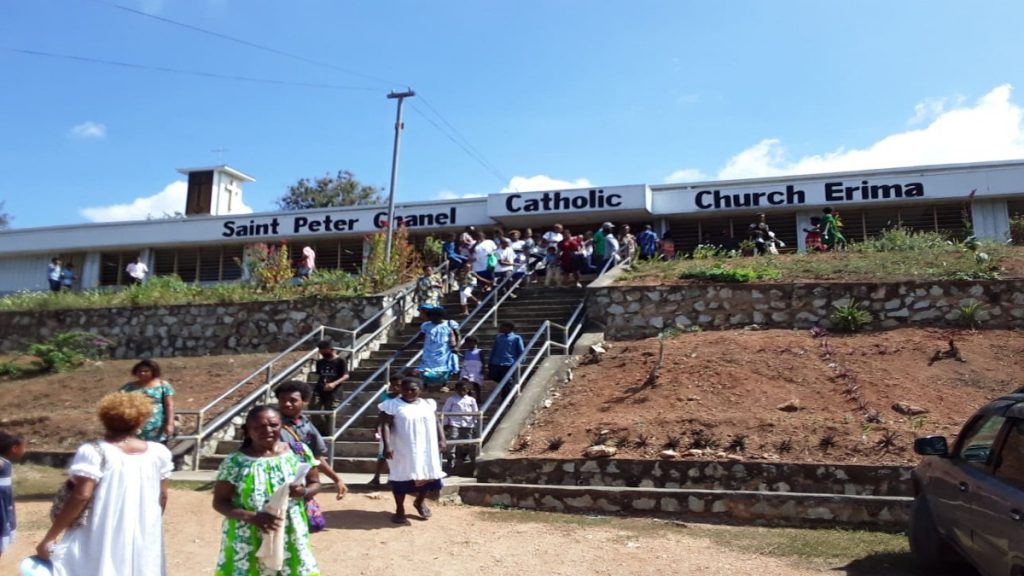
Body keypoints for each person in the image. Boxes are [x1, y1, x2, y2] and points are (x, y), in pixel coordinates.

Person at [35, 392, 173, 575]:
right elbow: (162, 496)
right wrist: (147, 524)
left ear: (104, 418)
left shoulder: (93, 452)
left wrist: (50, 537)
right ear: (141, 421)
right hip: (144, 532)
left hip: (99, 529)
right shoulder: (159, 452)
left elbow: (81, 496)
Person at [212, 405, 320, 575]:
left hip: (289, 530)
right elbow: (219, 502)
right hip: (246, 533)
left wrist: (304, 492)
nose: (267, 430)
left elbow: (315, 483)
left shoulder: (299, 451)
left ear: (281, 425)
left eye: (273, 425)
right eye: (259, 427)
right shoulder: (235, 462)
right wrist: (253, 517)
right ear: (247, 430)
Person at [275, 380, 348, 533]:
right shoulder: (271, 426)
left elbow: (315, 458)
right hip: (276, 489)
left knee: (307, 528)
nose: (287, 404)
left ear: (305, 401)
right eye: (282, 400)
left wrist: (336, 479)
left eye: (293, 400)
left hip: (299, 488)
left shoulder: (307, 425)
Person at [378, 377, 446, 524]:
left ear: (420, 390)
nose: (409, 392)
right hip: (402, 447)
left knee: (426, 475)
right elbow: (385, 426)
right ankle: (400, 509)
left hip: (426, 447)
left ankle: (419, 502)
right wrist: (387, 446)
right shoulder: (392, 405)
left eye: (413, 389)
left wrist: (442, 439)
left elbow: (436, 422)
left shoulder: (428, 404)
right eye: (405, 389)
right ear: (400, 389)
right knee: (401, 476)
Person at [401, 308, 460, 391]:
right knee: (425, 369)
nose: (432, 318)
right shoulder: (426, 325)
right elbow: (418, 337)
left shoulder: (449, 324)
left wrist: (457, 347)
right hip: (429, 352)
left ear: (440, 316)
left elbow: (458, 335)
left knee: (444, 368)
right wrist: (406, 346)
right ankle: (425, 384)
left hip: (444, 351)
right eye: (431, 316)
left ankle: (444, 384)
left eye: (434, 316)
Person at [120, 359, 175, 443]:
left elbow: (169, 405)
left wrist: (170, 424)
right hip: (135, 428)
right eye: (140, 371)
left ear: (153, 372)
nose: (142, 373)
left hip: (157, 428)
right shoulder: (128, 387)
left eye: (146, 371)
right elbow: (119, 404)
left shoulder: (163, 385)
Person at [368, 376, 401, 487]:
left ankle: (392, 477)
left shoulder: (403, 398)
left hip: (399, 429)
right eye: (394, 385)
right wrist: (376, 427)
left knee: (396, 456)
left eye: (399, 385)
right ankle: (376, 477)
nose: (397, 387)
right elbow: (381, 414)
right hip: (386, 429)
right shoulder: (386, 397)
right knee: (382, 455)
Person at [441, 380, 479, 471]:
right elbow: (445, 411)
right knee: (453, 439)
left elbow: (475, 411)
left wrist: (475, 421)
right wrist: (445, 423)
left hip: (468, 423)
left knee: (467, 440)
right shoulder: (451, 399)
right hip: (454, 422)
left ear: (467, 390)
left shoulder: (471, 400)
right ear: (456, 390)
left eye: (464, 390)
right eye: (460, 390)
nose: (462, 392)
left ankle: (464, 455)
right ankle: (451, 458)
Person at [0, 431, 26, 559]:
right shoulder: (2, 462)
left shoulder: (5, 462)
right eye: (24, 447)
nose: (25, 450)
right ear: (14, 448)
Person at [311, 340, 348, 416]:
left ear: (332, 350)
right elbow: (319, 374)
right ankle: (320, 427)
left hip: (334, 392)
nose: (322, 353)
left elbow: (346, 375)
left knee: (330, 414)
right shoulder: (320, 362)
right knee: (313, 409)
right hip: (319, 390)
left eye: (324, 351)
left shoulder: (340, 361)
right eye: (321, 351)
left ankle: (327, 427)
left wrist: (334, 384)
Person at [488, 321, 526, 391]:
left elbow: (521, 351)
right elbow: (494, 349)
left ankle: (505, 397)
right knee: (495, 377)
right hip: (496, 363)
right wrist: (490, 361)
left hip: (508, 363)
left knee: (506, 381)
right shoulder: (498, 338)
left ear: (508, 328)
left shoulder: (516, 338)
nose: (500, 328)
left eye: (502, 327)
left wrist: (521, 361)